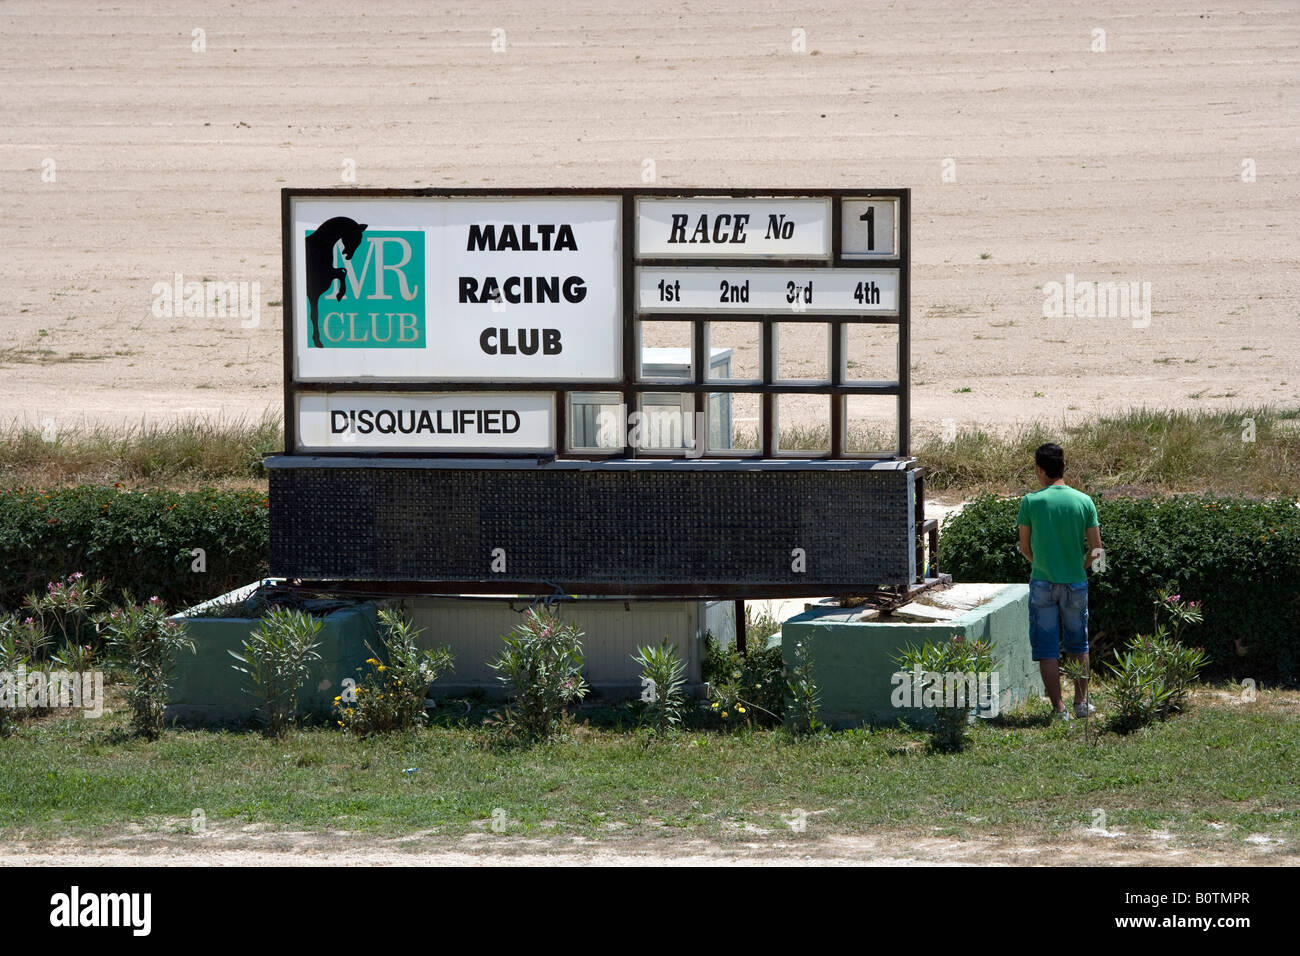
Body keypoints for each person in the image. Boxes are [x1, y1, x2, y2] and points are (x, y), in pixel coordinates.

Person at [1016, 443, 1102, 721]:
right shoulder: (1084, 501)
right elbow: (1097, 549)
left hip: (1042, 582)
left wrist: (1039, 564)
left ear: (1040, 470)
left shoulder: (1031, 501)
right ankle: (1080, 702)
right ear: (1064, 467)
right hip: (1076, 583)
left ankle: (1058, 709)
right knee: (1079, 646)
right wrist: (1081, 566)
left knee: (1047, 648)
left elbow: (1025, 547)